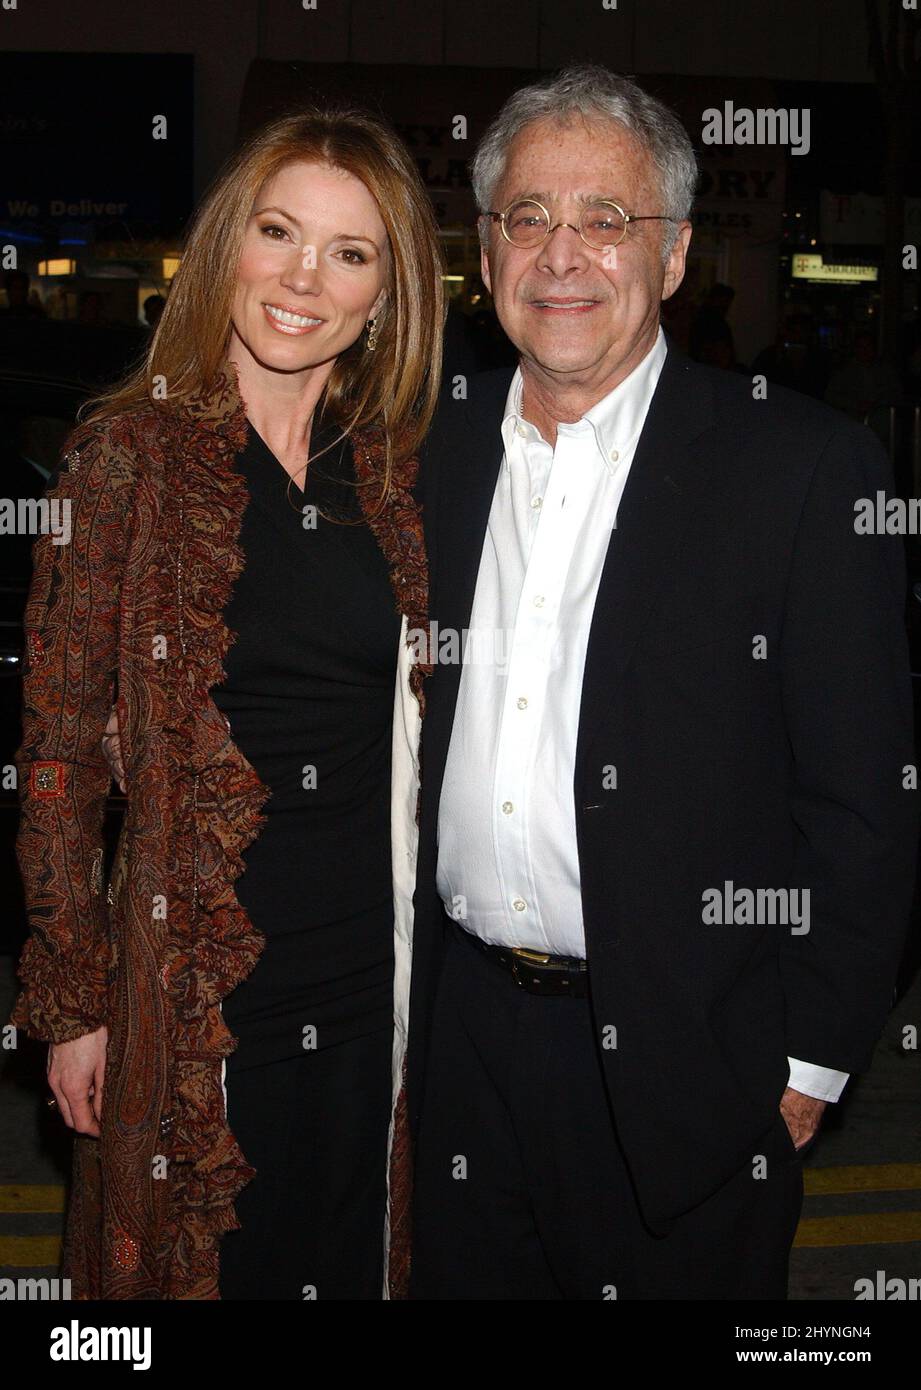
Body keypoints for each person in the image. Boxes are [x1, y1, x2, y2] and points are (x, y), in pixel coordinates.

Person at [405, 64, 919, 1300]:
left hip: (694, 1063)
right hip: (455, 1045)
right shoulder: (425, 443)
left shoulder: (800, 470)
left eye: (607, 218)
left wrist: (809, 1060)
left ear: (676, 253)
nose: (563, 253)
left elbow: (867, 803)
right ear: (487, 251)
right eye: (530, 216)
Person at [9, 105, 442, 1300]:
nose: (304, 279)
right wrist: (70, 997)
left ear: (386, 291)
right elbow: (56, 757)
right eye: (278, 232)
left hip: (371, 981)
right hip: (188, 992)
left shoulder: (401, 471)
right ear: (225, 248)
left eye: (350, 253)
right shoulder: (127, 461)